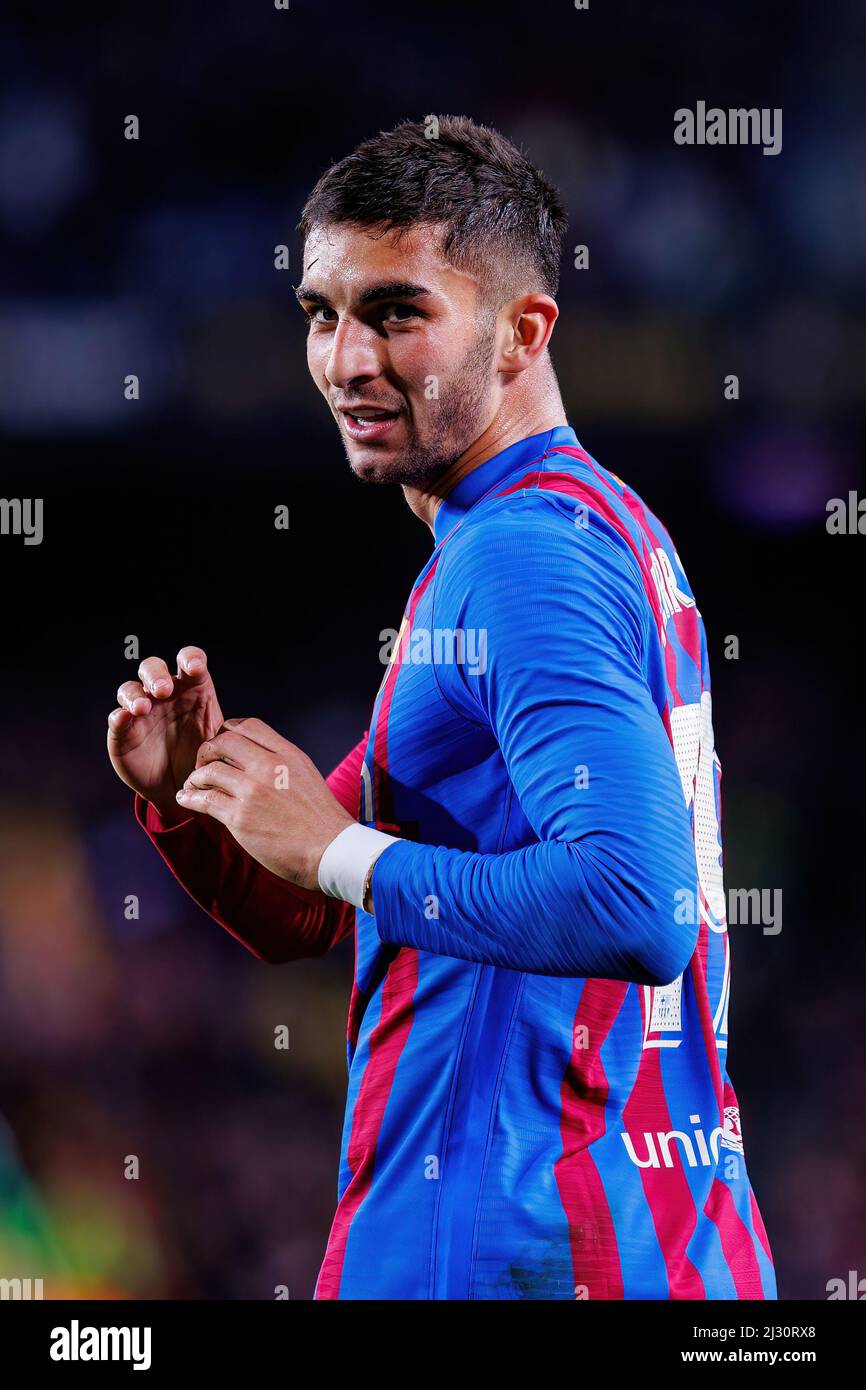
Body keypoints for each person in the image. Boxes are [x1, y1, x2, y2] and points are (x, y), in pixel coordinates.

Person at [107, 117, 776, 1300]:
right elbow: (316, 909)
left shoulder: (519, 557)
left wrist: (345, 851)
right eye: (322, 312)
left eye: (397, 313)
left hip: (515, 1248)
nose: (346, 359)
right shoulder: (576, 529)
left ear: (523, 331)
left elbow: (636, 902)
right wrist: (191, 802)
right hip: (635, 1240)